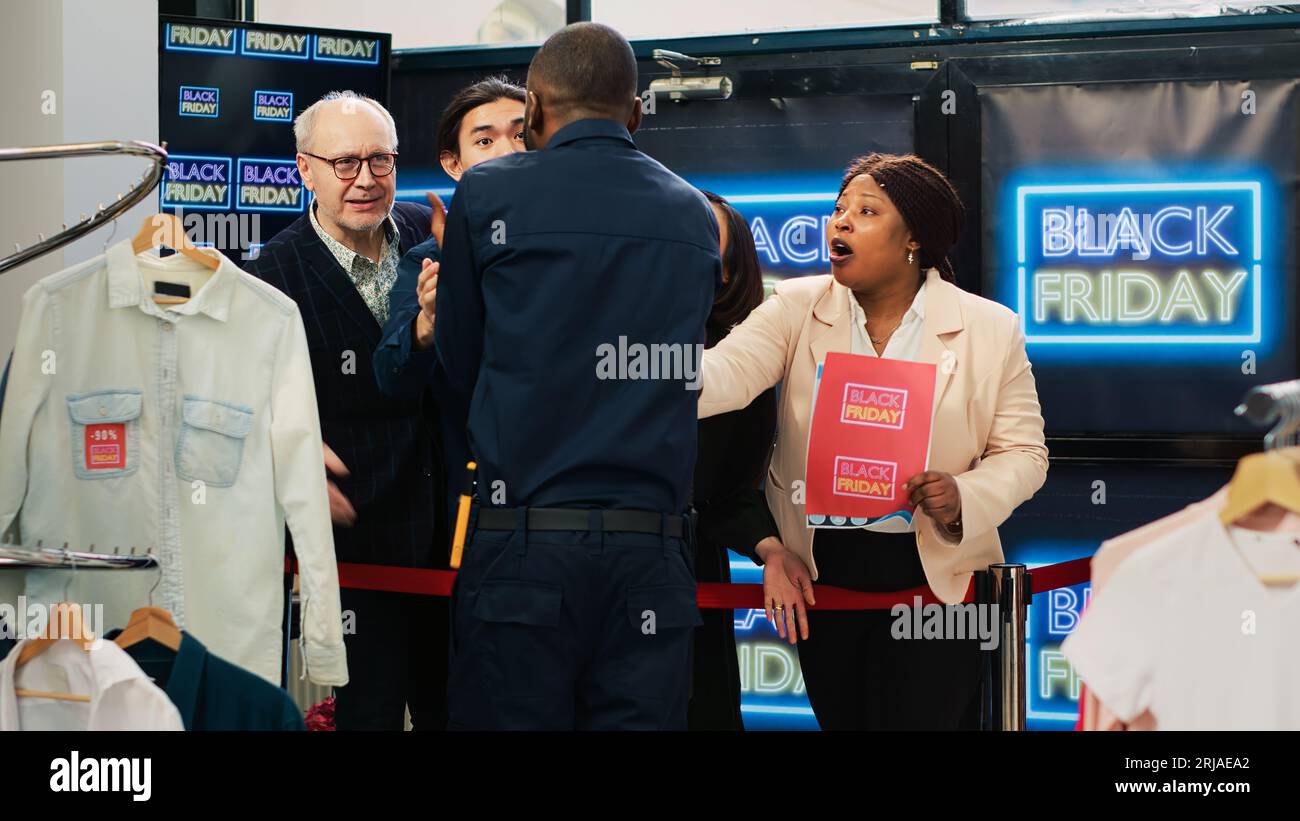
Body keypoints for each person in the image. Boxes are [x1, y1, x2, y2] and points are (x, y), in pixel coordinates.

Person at [699, 153, 1049, 730]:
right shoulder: (796, 306)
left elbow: (1025, 453)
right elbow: (722, 379)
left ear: (914, 237)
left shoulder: (990, 326)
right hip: (826, 584)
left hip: (939, 588)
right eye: (838, 209)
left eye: (865, 211)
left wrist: (964, 494)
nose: (840, 222)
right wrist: (640, 370)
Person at [435, 22, 720, 730]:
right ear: (635, 112)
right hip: (652, 552)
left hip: (524, 541)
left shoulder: (490, 194)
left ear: (532, 110)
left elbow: (459, 359)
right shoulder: (692, 210)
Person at [246, 91, 447, 731]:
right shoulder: (272, 273)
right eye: (344, 163)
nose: (365, 180)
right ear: (304, 169)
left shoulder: (432, 235)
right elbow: (248, 406)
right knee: (370, 717)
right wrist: (286, 464)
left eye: (379, 161)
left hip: (455, 536)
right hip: (354, 547)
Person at [374, 76, 526, 405]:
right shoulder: (428, 261)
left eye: (522, 134)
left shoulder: (578, 238)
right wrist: (425, 325)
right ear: (454, 164)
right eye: (485, 141)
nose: (508, 150)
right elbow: (390, 378)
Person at [688, 192, 780, 730]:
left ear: (728, 268)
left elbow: (730, 494)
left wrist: (768, 548)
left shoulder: (743, 355)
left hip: (688, 578)